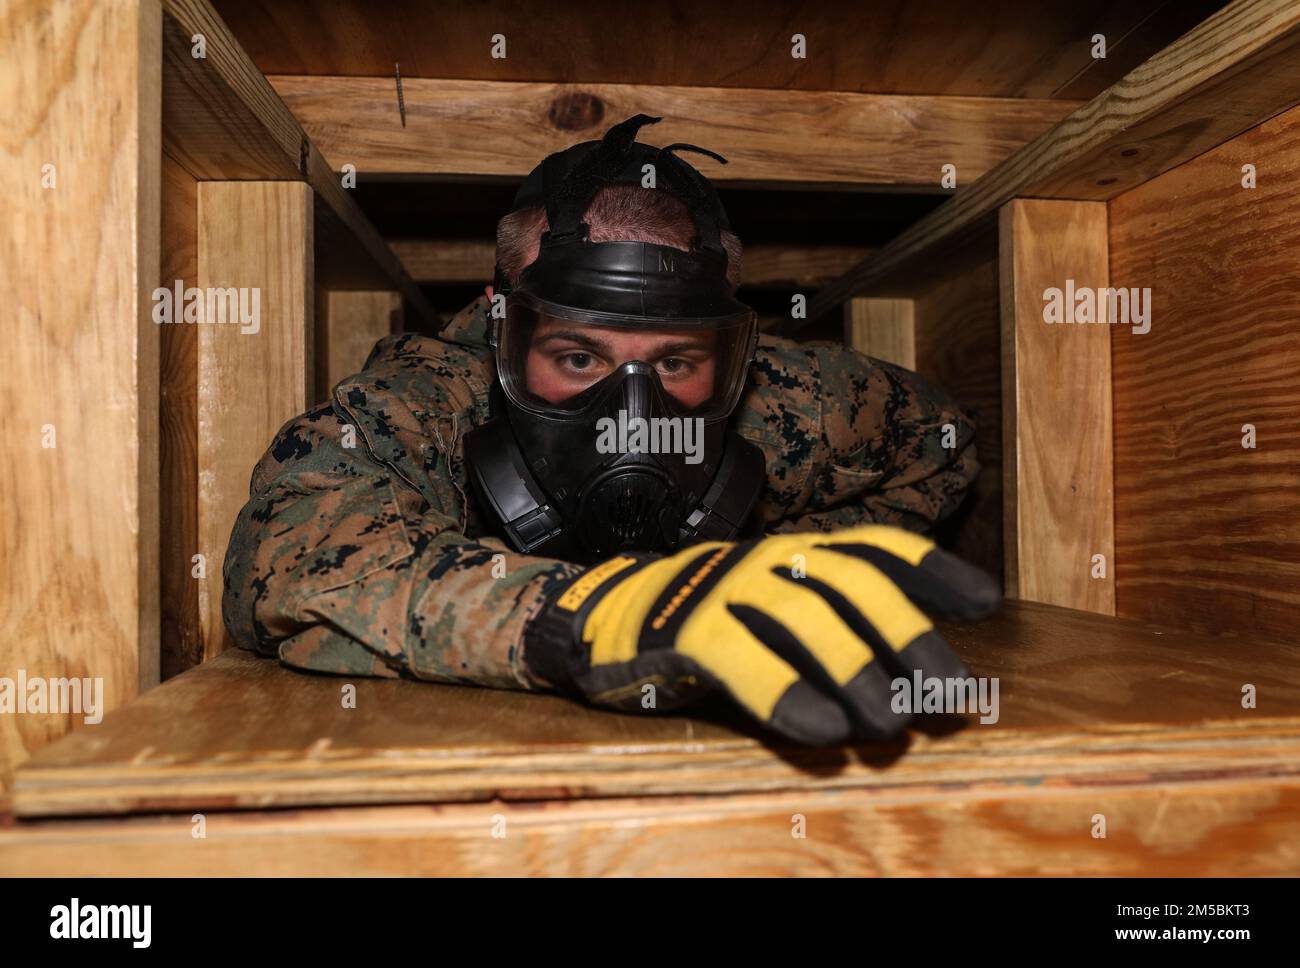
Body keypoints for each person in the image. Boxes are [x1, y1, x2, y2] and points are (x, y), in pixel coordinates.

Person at [222, 115, 998, 745]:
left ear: (733, 351)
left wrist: (767, 568)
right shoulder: (435, 399)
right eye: (578, 354)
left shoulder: (780, 402)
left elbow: (943, 450)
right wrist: (600, 616)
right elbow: (288, 556)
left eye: (674, 361)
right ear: (504, 330)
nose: (633, 413)